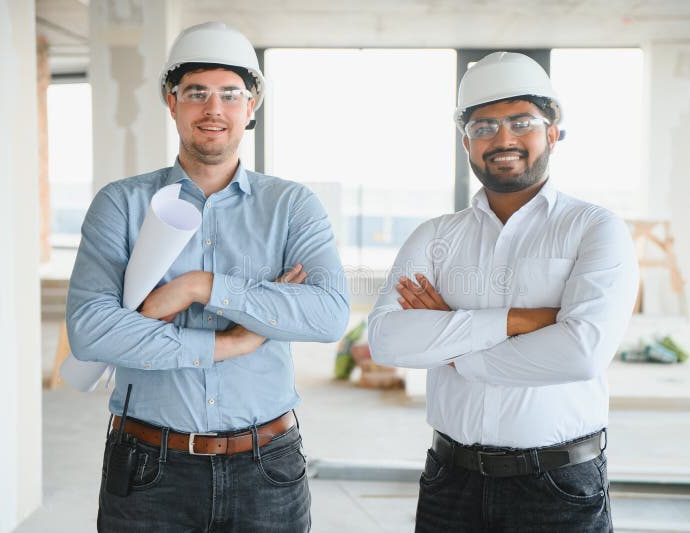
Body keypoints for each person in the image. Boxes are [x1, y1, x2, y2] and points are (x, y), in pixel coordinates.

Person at [67, 21, 349, 532]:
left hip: (267, 465)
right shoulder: (121, 204)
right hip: (149, 464)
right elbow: (90, 331)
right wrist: (233, 342)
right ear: (171, 102)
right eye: (196, 92)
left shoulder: (291, 207)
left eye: (229, 94)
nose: (213, 109)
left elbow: (328, 315)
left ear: (251, 106)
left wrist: (201, 287)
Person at [368, 51, 638, 532]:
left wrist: (451, 348)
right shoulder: (434, 237)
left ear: (553, 133)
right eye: (484, 127)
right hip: (451, 482)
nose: (503, 139)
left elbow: (581, 353)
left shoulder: (595, 228)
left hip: (557, 486)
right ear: (466, 143)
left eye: (521, 122)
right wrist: (519, 321)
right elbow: (388, 340)